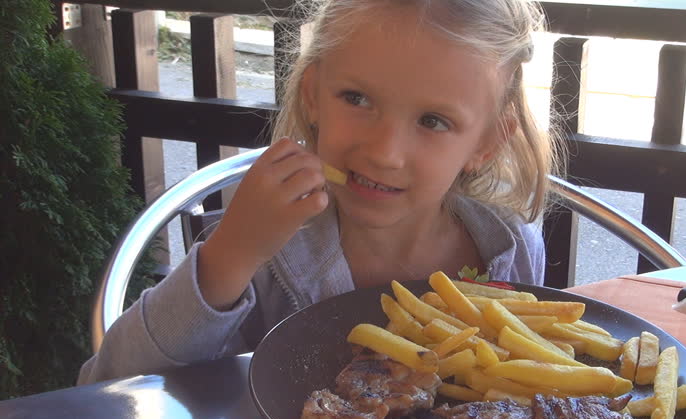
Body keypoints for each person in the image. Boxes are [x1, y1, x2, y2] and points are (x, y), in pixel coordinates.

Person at [78, 0, 558, 384]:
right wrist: (229, 257)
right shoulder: (266, 250)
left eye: (433, 121)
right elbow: (108, 386)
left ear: (487, 141)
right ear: (313, 96)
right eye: (357, 98)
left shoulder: (510, 250)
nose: (385, 153)